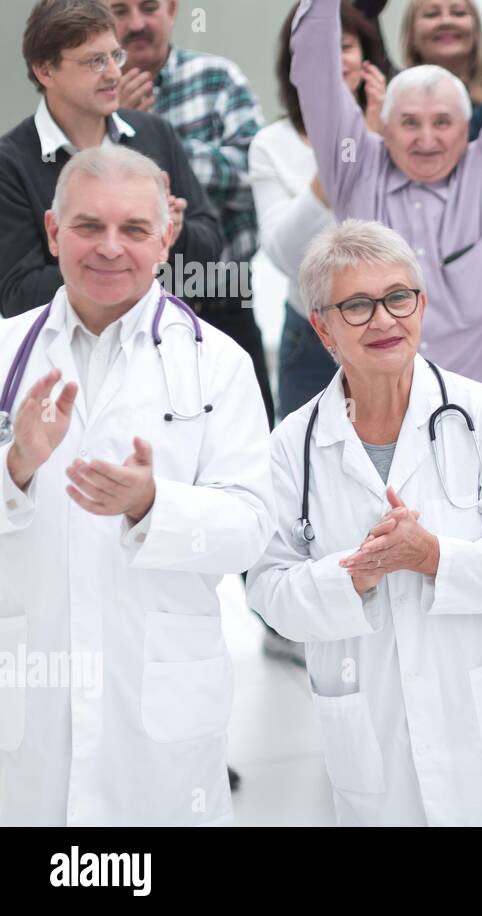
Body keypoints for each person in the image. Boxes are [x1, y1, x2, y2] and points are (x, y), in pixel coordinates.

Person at [246, 219, 482, 826]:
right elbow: (268, 593)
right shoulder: (292, 445)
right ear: (322, 327)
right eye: (358, 305)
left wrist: (432, 556)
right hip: (375, 738)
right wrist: (354, 575)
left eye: (399, 297)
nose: (384, 320)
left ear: (420, 305)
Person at [0, 145, 274, 826]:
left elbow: (251, 528)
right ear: (53, 231)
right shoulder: (5, 352)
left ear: (167, 237)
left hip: (158, 704)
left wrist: (154, 506)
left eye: (134, 229)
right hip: (29, 694)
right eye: (88, 227)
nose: (110, 249)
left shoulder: (220, 366)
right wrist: (17, 466)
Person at [290, 0, 482, 397]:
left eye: (442, 122)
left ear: (468, 127)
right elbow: (313, 68)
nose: (426, 140)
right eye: (409, 123)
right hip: (373, 418)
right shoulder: (354, 168)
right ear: (385, 127)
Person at [0, 0, 223, 320]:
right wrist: (134, 262)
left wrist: (176, 233)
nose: (113, 73)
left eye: (115, 56)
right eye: (94, 61)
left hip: (161, 340)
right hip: (65, 353)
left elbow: (210, 254)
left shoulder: (155, 133)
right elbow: (18, 294)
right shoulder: (10, 164)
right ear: (45, 70)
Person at [109, 0, 275, 424]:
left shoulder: (216, 79)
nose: (137, 23)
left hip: (223, 295)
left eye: (148, 8)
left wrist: (154, 138)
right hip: (124, 311)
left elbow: (251, 173)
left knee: (250, 443)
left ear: (173, 10)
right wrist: (115, 124)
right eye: (119, 11)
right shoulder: (90, 94)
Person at [252, 2, 392, 422]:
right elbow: (284, 255)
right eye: (320, 47)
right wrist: (341, 165)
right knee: (307, 474)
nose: (334, 58)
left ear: (366, 59)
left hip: (392, 326)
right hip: (313, 335)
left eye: (345, 46)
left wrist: (373, 139)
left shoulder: (401, 133)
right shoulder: (271, 144)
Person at [400, 0, 482, 105]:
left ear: (476, 30)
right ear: (412, 35)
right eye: (432, 14)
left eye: (458, 13)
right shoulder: (392, 96)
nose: (446, 21)